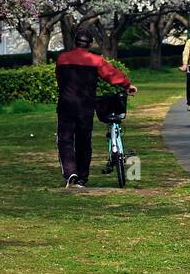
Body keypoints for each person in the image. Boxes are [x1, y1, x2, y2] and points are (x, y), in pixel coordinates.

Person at [54, 28, 136, 188]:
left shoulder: (62, 59)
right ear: (90, 44)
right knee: (84, 140)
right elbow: (112, 75)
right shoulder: (96, 61)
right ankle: (82, 176)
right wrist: (127, 85)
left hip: (66, 105)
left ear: (75, 41)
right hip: (86, 106)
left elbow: (59, 78)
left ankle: (70, 172)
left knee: (65, 140)